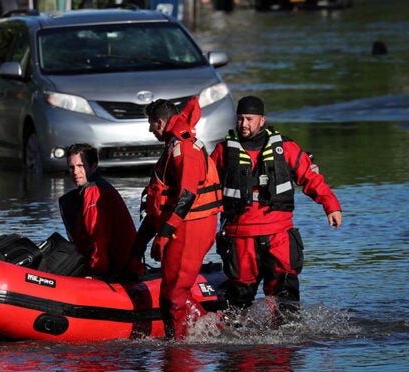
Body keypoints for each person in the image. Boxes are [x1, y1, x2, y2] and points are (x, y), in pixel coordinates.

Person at [210, 95, 342, 322]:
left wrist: (330, 206)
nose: (243, 124)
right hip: (241, 237)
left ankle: (286, 349)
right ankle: (239, 351)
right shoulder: (223, 151)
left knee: (286, 299)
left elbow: (310, 177)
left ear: (262, 120)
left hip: (278, 234)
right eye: (240, 119)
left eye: (249, 119)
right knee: (238, 303)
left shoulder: (286, 148)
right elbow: (204, 186)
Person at [131, 96, 223, 340]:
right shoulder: (173, 146)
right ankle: (212, 330)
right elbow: (163, 201)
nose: (150, 130)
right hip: (183, 225)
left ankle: (179, 350)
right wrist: (139, 245)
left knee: (173, 296)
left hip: (190, 226)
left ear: (160, 122)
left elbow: (187, 195)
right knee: (172, 292)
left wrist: (164, 234)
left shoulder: (184, 149)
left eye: (151, 124)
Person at [58, 143, 145, 281]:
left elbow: (99, 238)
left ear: (93, 166)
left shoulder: (94, 192)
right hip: (121, 267)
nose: (75, 172)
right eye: (71, 167)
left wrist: (96, 273)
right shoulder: (96, 188)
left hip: (119, 272)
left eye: (81, 166)